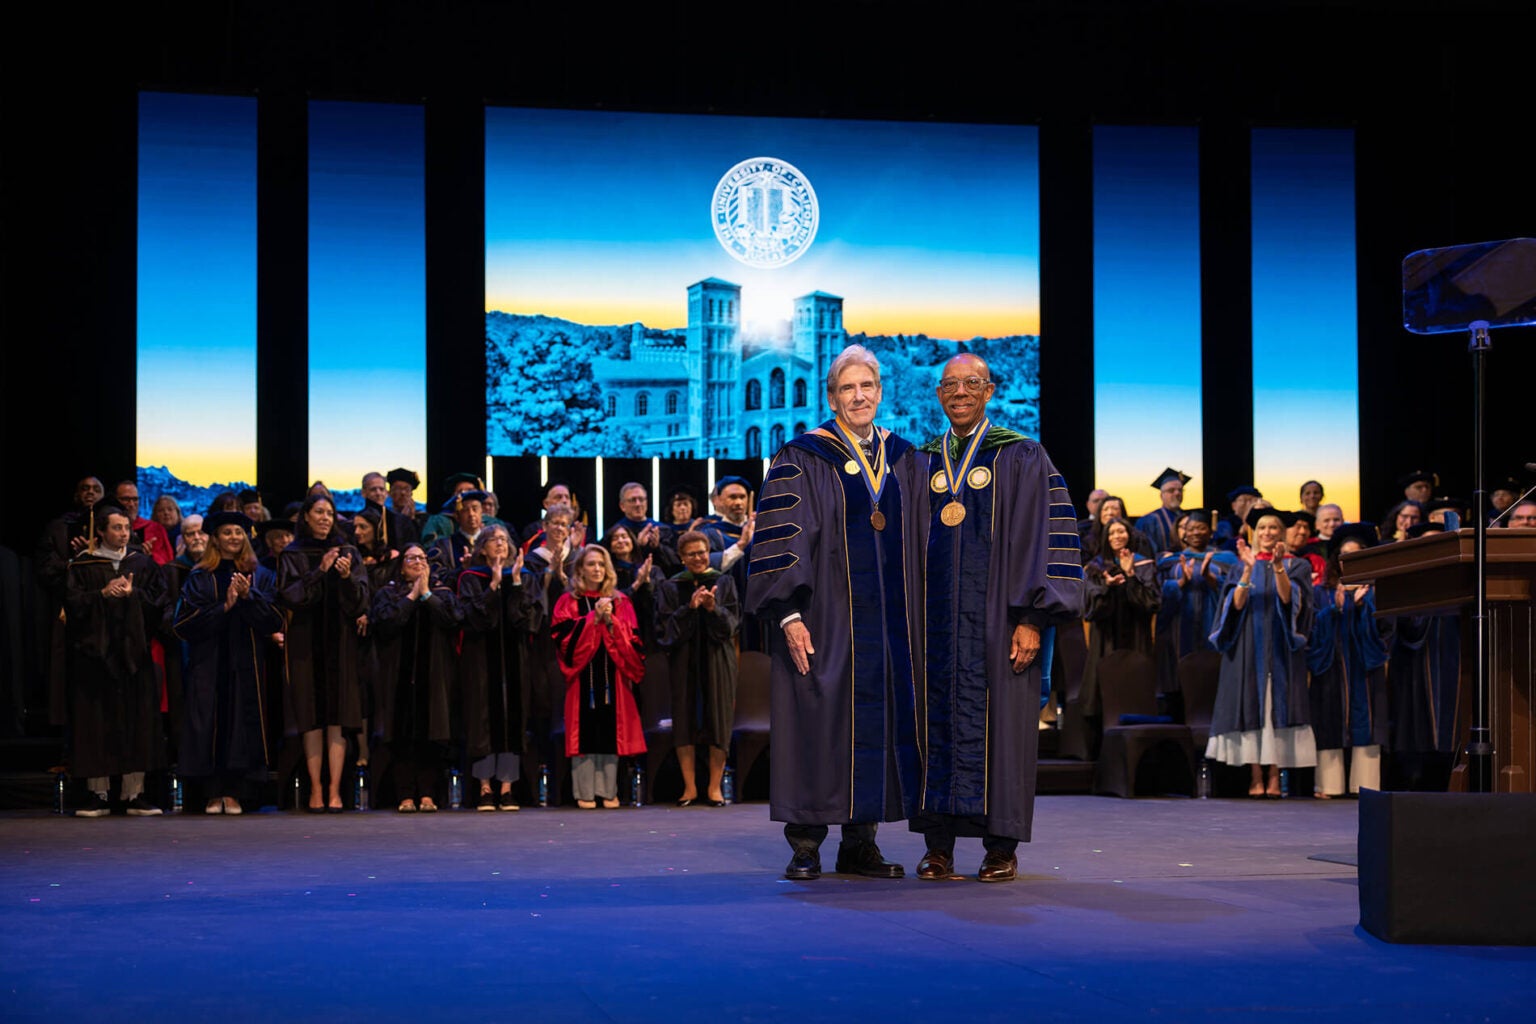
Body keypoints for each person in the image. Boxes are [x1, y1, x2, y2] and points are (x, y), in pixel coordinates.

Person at [905, 353, 1082, 883]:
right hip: (933, 631)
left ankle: (1000, 848)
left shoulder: (1024, 456)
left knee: (1001, 732)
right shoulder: (920, 463)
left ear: (990, 390)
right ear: (938, 394)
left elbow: (1051, 542)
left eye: (971, 384)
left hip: (1001, 627)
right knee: (932, 731)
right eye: (950, 385)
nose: (960, 392)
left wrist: (1031, 618)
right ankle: (937, 847)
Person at [746, 343, 920, 881]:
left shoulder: (907, 458)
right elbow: (778, 542)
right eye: (848, 388)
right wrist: (789, 617)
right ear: (831, 396)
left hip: (887, 626)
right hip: (822, 620)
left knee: (876, 724)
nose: (859, 396)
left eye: (867, 386)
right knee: (815, 723)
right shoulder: (801, 456)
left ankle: (860, 843)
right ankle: (805, 843)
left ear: (881, 392)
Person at [173, 510, 283, 814]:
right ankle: (212, 793)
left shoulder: (260, 575)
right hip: (208, 664)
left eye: (238, 532)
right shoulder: (200, 576)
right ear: (215, 539)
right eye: (227, 532)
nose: (234, 537)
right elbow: (182, 625)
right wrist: (225, 607)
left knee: (240, 724)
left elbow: (275, 621)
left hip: (246, 663)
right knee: (208, 723)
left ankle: (235, 792)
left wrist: (249, 598)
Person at [65, 503, 168, 816]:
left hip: (133, 656)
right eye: (116, 528)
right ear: (101, 531)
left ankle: (133, 794)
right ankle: (99, 795)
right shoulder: (83, 565)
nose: (123, 534)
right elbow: (71, 605)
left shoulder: (143, 564)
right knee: (97, 723)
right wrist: (102, 595)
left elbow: (160, 604)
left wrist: (133, 596)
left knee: (137, 722)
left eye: (127, 528)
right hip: (96, 658)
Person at [1205, 508, 1317, 798]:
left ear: (1282, 533)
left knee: (1275, 705)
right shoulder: (1240, 565)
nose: (1268, 533)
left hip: (1281, 649)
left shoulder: (1297, 566)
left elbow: (1288, 598)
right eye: (1263, 528)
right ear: (1255, 532)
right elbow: (1236, 605)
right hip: (1247, 647)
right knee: (1252, 704)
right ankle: (1255, 773)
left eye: (1274, 528)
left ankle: (1275, 774)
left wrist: (1278, 567)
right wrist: (1246, 570)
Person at [277, 493, 368, 812]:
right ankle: (315, 789)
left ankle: (335, 790)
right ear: (305, 516)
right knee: (311, 716)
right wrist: (320, 571)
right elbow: (290, 596)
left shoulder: (349, 553)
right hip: (305, 642)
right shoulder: (292, 553)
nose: (326, 517)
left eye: (330, 512)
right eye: (319, 512)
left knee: (337, 718)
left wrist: (344, 577)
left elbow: (359, 602)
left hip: (340, 643)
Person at [552, 545, 646, 809]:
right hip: (582, 679)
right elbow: (562, 639)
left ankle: (608, 791)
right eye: (591, 564)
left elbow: (634, 640)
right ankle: (584, 792)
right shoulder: (568, 601)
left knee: (610, 729)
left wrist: (611, 622)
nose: (596, 569)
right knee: (584, 731)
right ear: (580, 569)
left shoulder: (621, 601)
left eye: (601, 564)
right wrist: (593, 618)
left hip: (613, 678)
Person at [368, 543, 460, 812]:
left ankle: (428, 794)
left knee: (431, 736)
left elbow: (452, 619)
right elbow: (385, 624)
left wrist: (427, 594)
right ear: (401, 565)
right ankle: (405, 794)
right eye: (411, 558)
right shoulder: (389, 593)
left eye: (422, 558)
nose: (417, 562)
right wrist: (412, 597)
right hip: (397, 677)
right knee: (402, 736)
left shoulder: (441, 592)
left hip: (434, 677)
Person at [458, 525, 541, 811]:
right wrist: (493, 587)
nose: (501, 544)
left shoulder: (525, 578)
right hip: (480, 662)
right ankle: (483, 788)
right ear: (482, 548)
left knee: (512, 717)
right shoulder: (470, 578)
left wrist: (515, 584)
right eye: (494, 540)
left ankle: (506, 788)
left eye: (505, 539)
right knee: (483, 720)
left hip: (516, 660)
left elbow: (528, 621)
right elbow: (473, 619)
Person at [655, 529, 740, 807]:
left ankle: (715, 787)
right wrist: (689, 609)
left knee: (719, 717)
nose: (698, 558)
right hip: (684, 660)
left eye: (702, 552)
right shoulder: (670, 587)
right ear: (681, 558)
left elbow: (732, 626)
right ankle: (690, 787)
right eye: (691, 554)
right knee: (684, 718)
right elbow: (665, 632)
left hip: (718, 658)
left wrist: (713, 609)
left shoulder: (723, 581)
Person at [1307, 522, 1388, 798]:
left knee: (1366, 719)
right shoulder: (1322, 591)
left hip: (1364, 667)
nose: (1349, 561)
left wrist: (1365, 608)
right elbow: (1312, 629)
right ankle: (1328, 785)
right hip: (1332, 665)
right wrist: (1336, 610)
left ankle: (1364, 786)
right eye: (1344, 556)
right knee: (1330, 718)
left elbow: (1387, 630)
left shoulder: (1376, 591)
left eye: (1356, 555)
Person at [1082, 517, 1161, 743]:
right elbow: (1089, 609)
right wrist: (1106, 587)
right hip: (1105, 638)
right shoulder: (1095, 568)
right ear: (1106, 538)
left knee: (1135, 688)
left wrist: (1130, 576)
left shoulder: (1144, 565)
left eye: (1122, 532)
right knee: (1104, 690)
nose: (1117, 536)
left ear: (1129, 536)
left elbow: (1152, 603)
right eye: (1112, 533)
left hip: (1136, 635)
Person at [1154, 510, 1236, 701]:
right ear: (1184, 533)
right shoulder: (1170, 561)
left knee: (1213, 681)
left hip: (1214, 625)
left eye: (1201, 528)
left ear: (1210, 532)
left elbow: (1235, 591)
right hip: (1179, 626)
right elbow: (1157, 595)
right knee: (1180, 680)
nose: (1196, 533)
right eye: (1191, 529)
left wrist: (1210, 577)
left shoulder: (1226, 559)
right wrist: (1181, 582)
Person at [609, 482, 680, 576]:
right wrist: (637, 546)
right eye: (633, 500)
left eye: (641, 499)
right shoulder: (615, 533)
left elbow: (676, 563)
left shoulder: (663, 529)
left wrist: (657, 547)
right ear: (622, 506)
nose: (638, 504)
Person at [426, 488, 486, 573]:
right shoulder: (443, 546)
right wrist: (462, 569)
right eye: (465, 510)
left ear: (481, 513)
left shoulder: (490, 541)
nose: (471, 514)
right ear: (457, 516)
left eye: (475, 509)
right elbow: (438, 576)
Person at [1136, 467, 1190, 555]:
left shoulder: (1190, 518)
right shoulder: (1148, 521)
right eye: (1171, 490)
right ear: (1161, 495)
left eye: (1180, 490)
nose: (1177, 493)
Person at [1215, 485, 1262, 552]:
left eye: (1252, 500)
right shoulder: (1225, 525)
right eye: (1243, 500)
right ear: (1233, 505)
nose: (1248, 504)